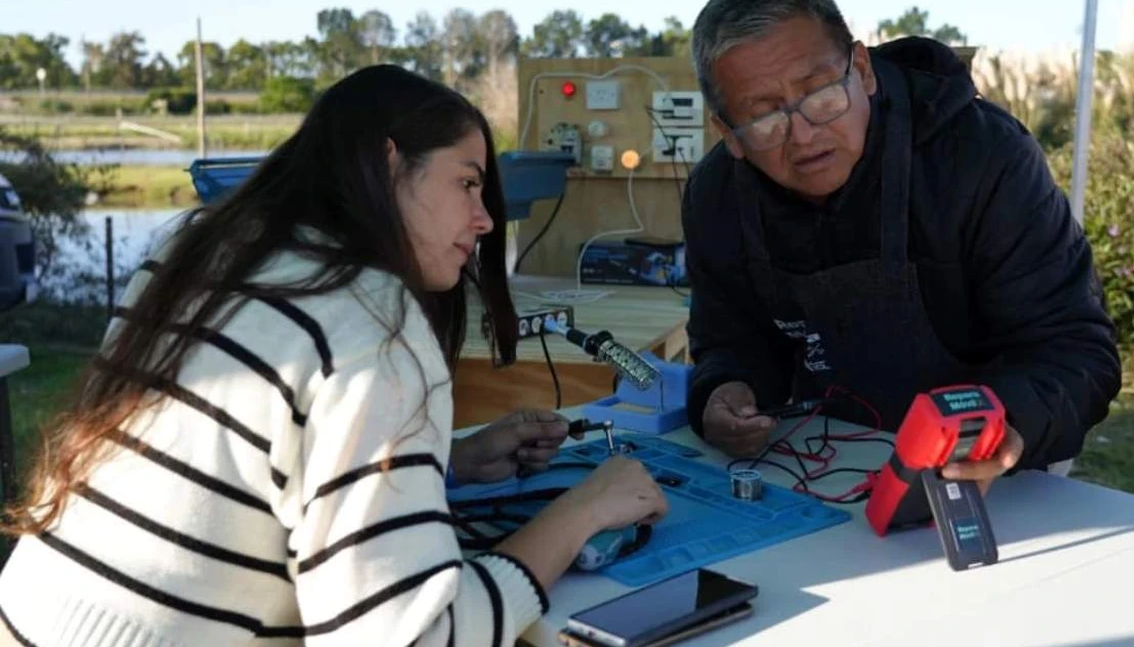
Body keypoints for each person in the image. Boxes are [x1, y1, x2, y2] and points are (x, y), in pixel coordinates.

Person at [0, 65, 668, 646]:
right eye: (467, 183)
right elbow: (407, 637)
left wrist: (446, 464)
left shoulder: (194, 246)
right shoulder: (374, 318)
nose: (486, 218)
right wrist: (580, 514)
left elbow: (235, 473)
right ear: (387, 163)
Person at [681, 0, 1122, 489]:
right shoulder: (716, 197)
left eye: (821, 93)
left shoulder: (983, 159)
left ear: (862, 69)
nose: (803, 136)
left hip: (996, 468)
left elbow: (1075, 350)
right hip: (818, 465)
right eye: (765, 117)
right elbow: (730, 340)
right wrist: (722, 389)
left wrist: (1010, 430)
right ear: (727, 133)